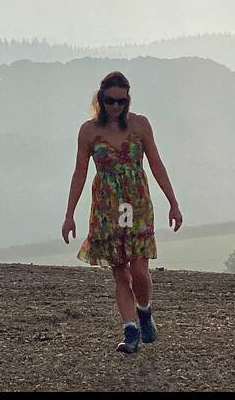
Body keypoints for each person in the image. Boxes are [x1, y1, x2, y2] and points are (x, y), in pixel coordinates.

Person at [61, 71, 182, 353]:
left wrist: (173, 203)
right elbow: (79, 173)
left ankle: (144, 311)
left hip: (136, 203)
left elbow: (156, 164)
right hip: (106, 206)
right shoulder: (89, 131)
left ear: (127, 100)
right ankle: (130, 331)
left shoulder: (140, 125)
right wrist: (69, 215)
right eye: (110, 101)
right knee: (120, 273)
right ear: (100, 100)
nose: (115, 106)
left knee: (139, 268)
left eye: (121, 101)